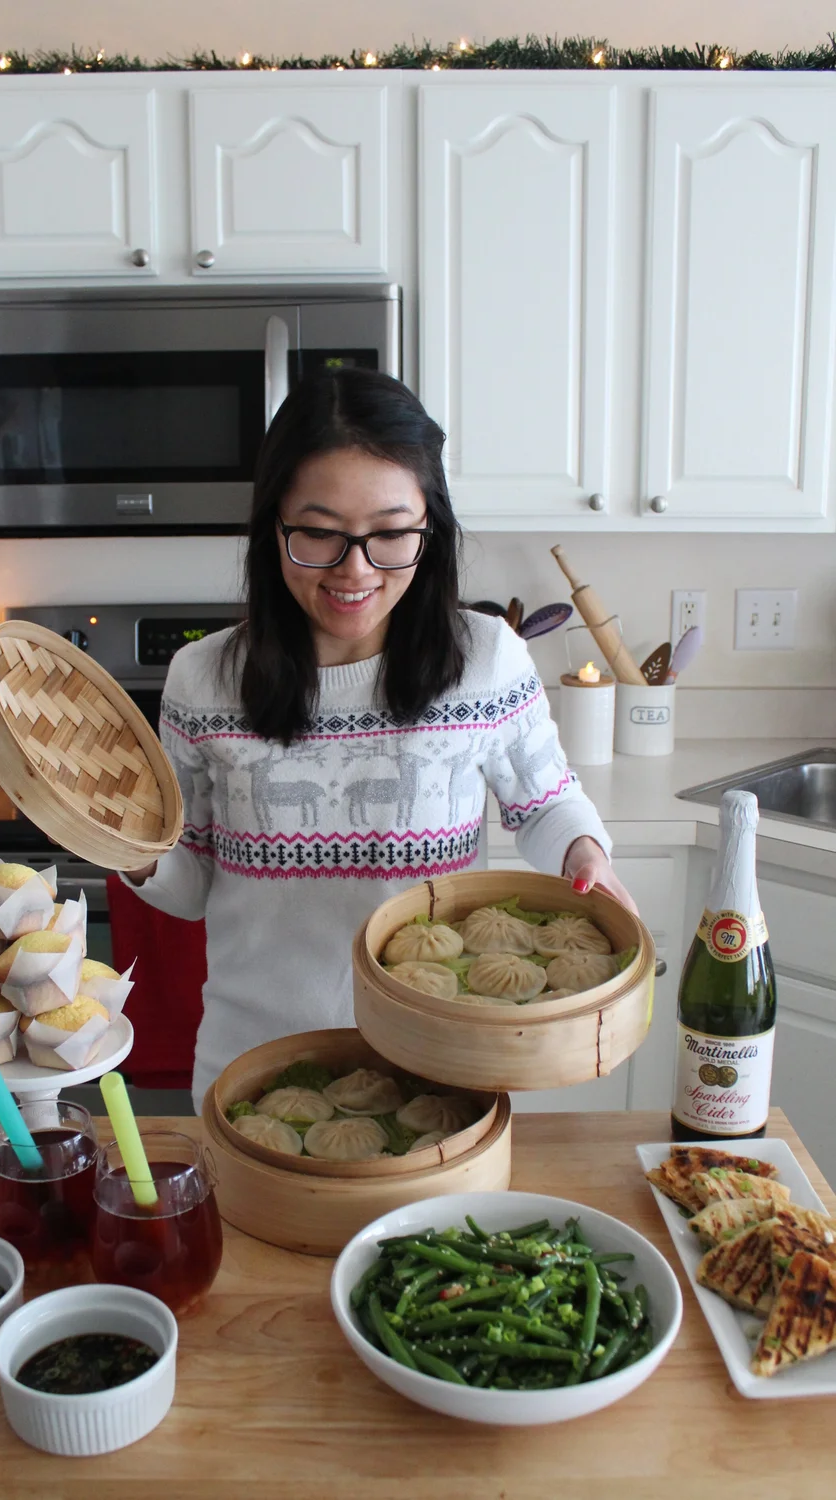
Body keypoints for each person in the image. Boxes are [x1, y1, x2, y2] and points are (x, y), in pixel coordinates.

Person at [126, 369, 635, 1108]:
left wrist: (584, 853)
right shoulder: (203, 681)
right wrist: (130, 853)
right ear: (273, 525)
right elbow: (190, 886)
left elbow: (546, 804)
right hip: (254, 1070)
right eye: (320, 534)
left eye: (392, 534)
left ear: (430, 526)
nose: (355, 570)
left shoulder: (485, 659)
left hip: (440, 1067)